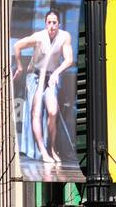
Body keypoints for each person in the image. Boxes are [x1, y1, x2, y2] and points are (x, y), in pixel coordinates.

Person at [12, 9, 74, 168]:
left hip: (51, 75)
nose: (52, 26)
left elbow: (69, 60)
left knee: (53, 111)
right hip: (35, 76)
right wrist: (19, 66)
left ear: (59, 24)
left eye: (54, 22)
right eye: (49, 22)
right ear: (45, 24)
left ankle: (52, 148)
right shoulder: (39, 37)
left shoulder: (64, 37)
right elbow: (17, 46)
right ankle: (42, 151)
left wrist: (57, 73)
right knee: (36, 112)